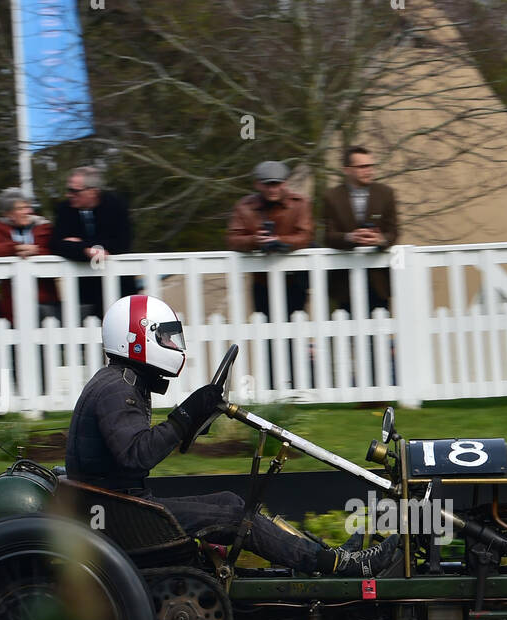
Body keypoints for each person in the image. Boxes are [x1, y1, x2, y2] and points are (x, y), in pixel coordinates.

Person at [65, 294, 400, 577]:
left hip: (123, 508)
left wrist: (192, 419)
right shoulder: (116, 389)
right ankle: (336, 565)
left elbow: (135, 454)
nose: (172, 345)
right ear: (137, 339)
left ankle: (324, 554)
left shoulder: (123, 382)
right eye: (164, 338)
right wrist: (184, 416)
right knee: (236, 517)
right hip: (123, 517)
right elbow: (136, 455)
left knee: (230, 501)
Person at [226, 160, 313, 318]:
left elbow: (305, 236)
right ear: (257, 184)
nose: (273, 189)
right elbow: (233, 239)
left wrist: (279, 240)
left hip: (293, 279)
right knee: (265, 330)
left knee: (295, 330)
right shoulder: (244, 206)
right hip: (262, 281)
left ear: (285, 183)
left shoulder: (300, 203)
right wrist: (255, 240)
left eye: (277, 184)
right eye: (268, 184)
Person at [323, 145, 399, 315]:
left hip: (378, 278)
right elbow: (328, 236)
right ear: (347, 170)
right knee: (348, 335)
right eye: (363, 166)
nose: (369, 170)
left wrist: (381, 240)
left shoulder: (386, 193)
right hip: (344, 281)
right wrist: (351, 237)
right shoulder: (331, 196)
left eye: (371, 165)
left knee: (379, 335)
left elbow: (393, 232)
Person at [51, 166, 134, 311]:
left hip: (119, 288)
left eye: (74, 191)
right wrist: (86, 250)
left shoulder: (117, 205)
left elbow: (122, 243)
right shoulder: (64, 209)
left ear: (93, 191)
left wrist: (83, 245)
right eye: (68, 190)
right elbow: (57, 245)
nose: (69, 195)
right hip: (83, 290)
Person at [0, 188, 58, 322]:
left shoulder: (43, 226)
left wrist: (36, 251)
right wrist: (14, 248)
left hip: (45, 297)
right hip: (12, 300)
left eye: (27, 207)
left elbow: (56, 249)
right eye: (20, 208)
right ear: (8, 213)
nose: (27, 212)